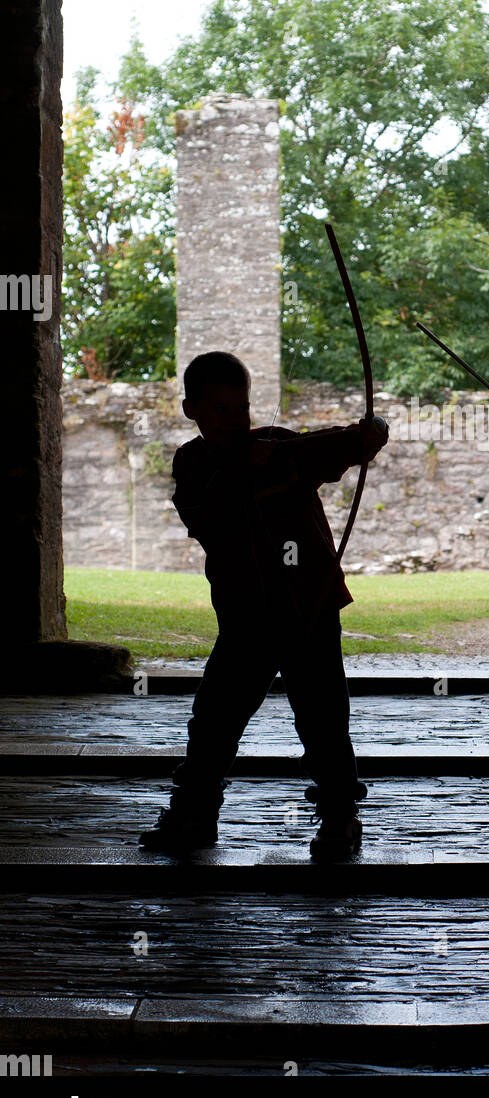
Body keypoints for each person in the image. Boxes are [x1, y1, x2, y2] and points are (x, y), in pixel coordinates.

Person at [139, 350, 388, 862]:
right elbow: (204, 515)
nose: (235, 420)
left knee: (323, 719)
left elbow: (340, 446)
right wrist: (240, 471)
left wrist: (370, 433)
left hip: (309, 609)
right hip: (248, 616)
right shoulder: (195, 463)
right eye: (221, 410)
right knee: (214, 719)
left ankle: (341, 819)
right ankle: (194, 816)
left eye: (242, 408)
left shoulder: (278, 448)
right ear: (192, 411)